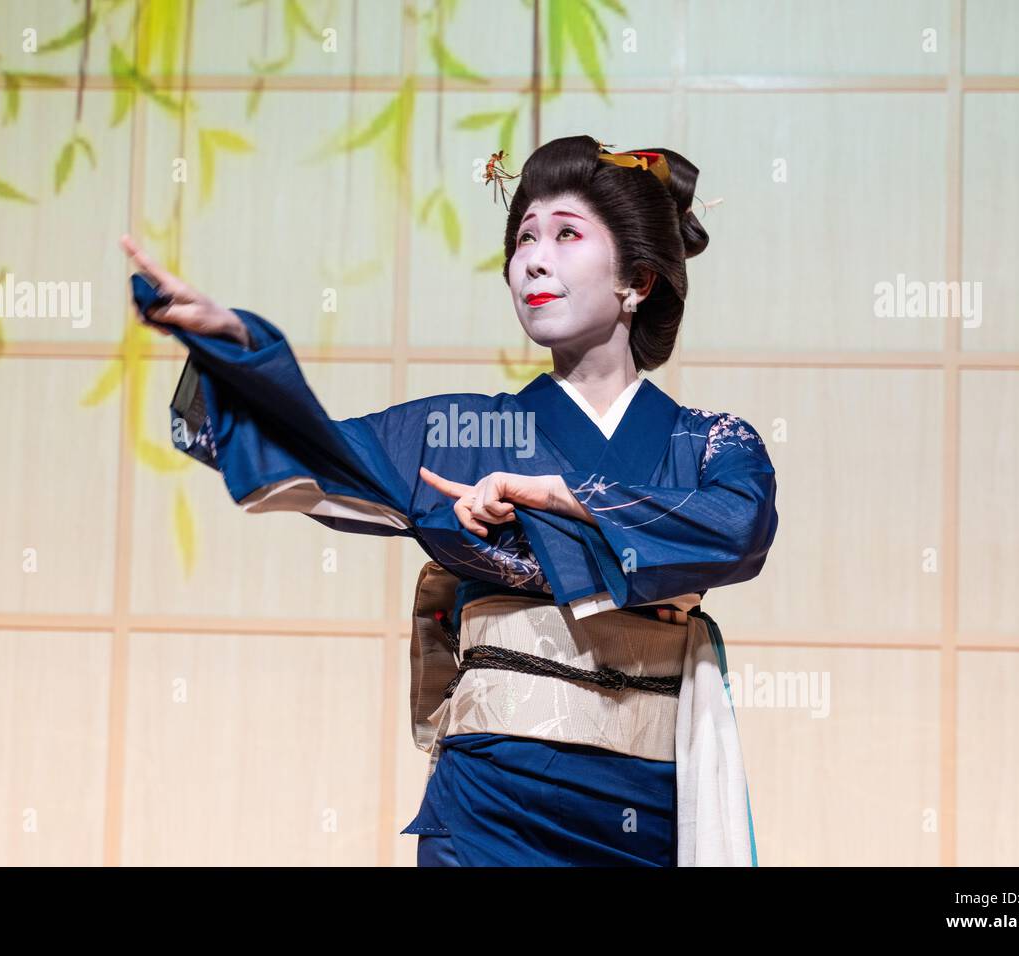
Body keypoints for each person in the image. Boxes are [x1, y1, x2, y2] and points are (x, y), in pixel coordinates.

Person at [120, 134, 778, 867]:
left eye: (565, 234)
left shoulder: (710, 443)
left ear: (638, 281)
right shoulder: (465, 433)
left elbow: (738, 528)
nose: (532, 257)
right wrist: (237, 344)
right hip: (489, 806)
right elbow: (323, 453)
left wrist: (558, 497)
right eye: (523, 236)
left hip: (645, 808)